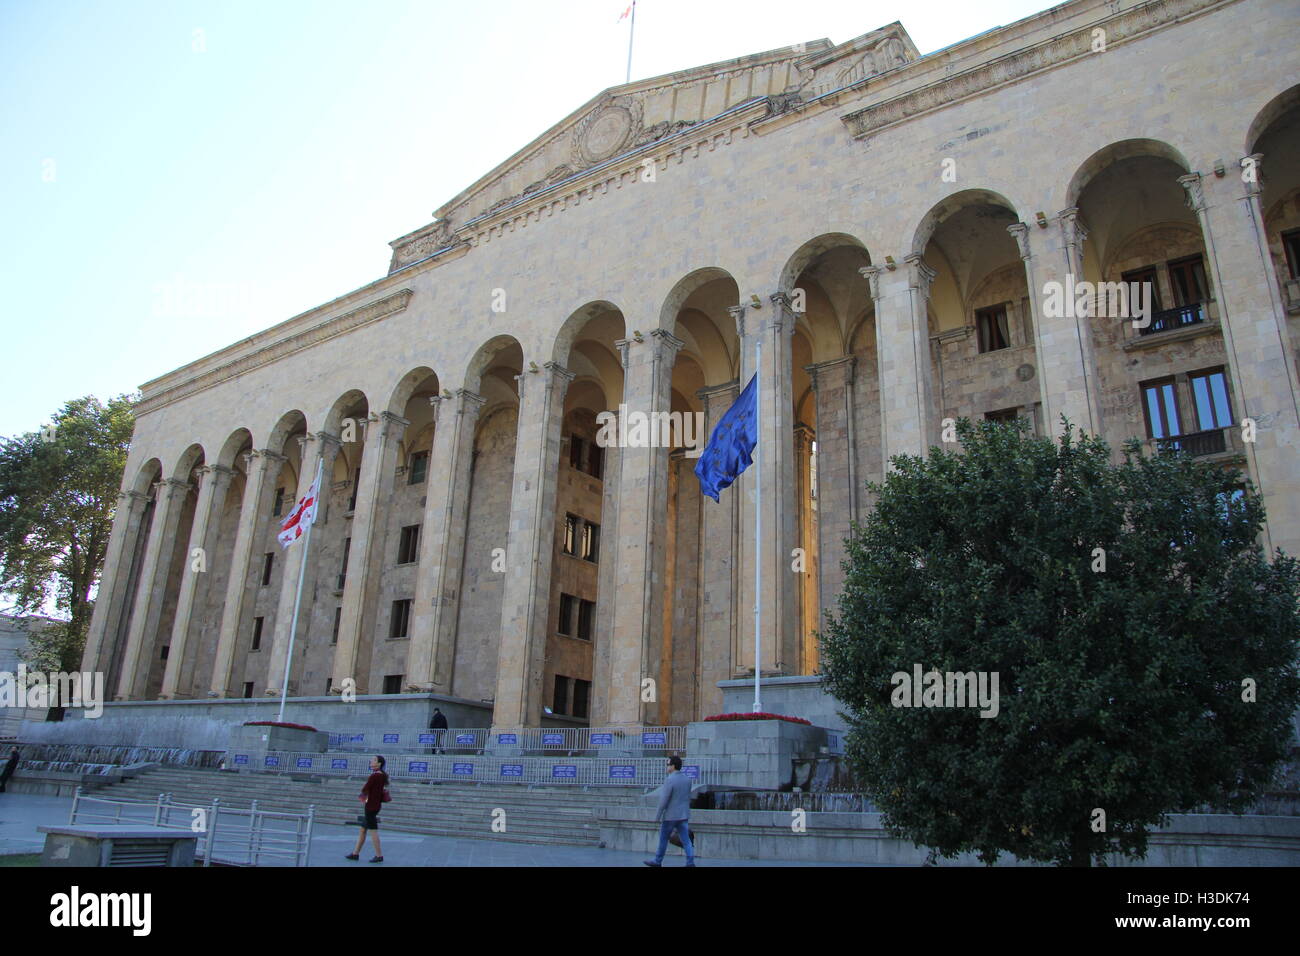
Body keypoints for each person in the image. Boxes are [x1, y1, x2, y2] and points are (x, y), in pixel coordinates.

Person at [644, 754, 696, 867]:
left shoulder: (670, 780)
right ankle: (690, 862)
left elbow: (663, 800)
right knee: (686, 840)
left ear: (673, 766)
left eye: (668, 764)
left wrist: (657, 817)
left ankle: (658, 861)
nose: (667, 767)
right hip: (683, 815)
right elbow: (687, 798)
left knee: (663, 839)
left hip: (670, 817)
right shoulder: (687, 780)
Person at [346, 755, 388, 862]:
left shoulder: (375, 776)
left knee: (373, 830)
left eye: (374, 760)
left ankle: (379, 855)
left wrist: (363, 794)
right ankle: (355, 853)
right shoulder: (382, 775)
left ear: (379, 764)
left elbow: (365, 788)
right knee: (363, 829)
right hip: (375, 805)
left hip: (371, 806)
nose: (371, 761)